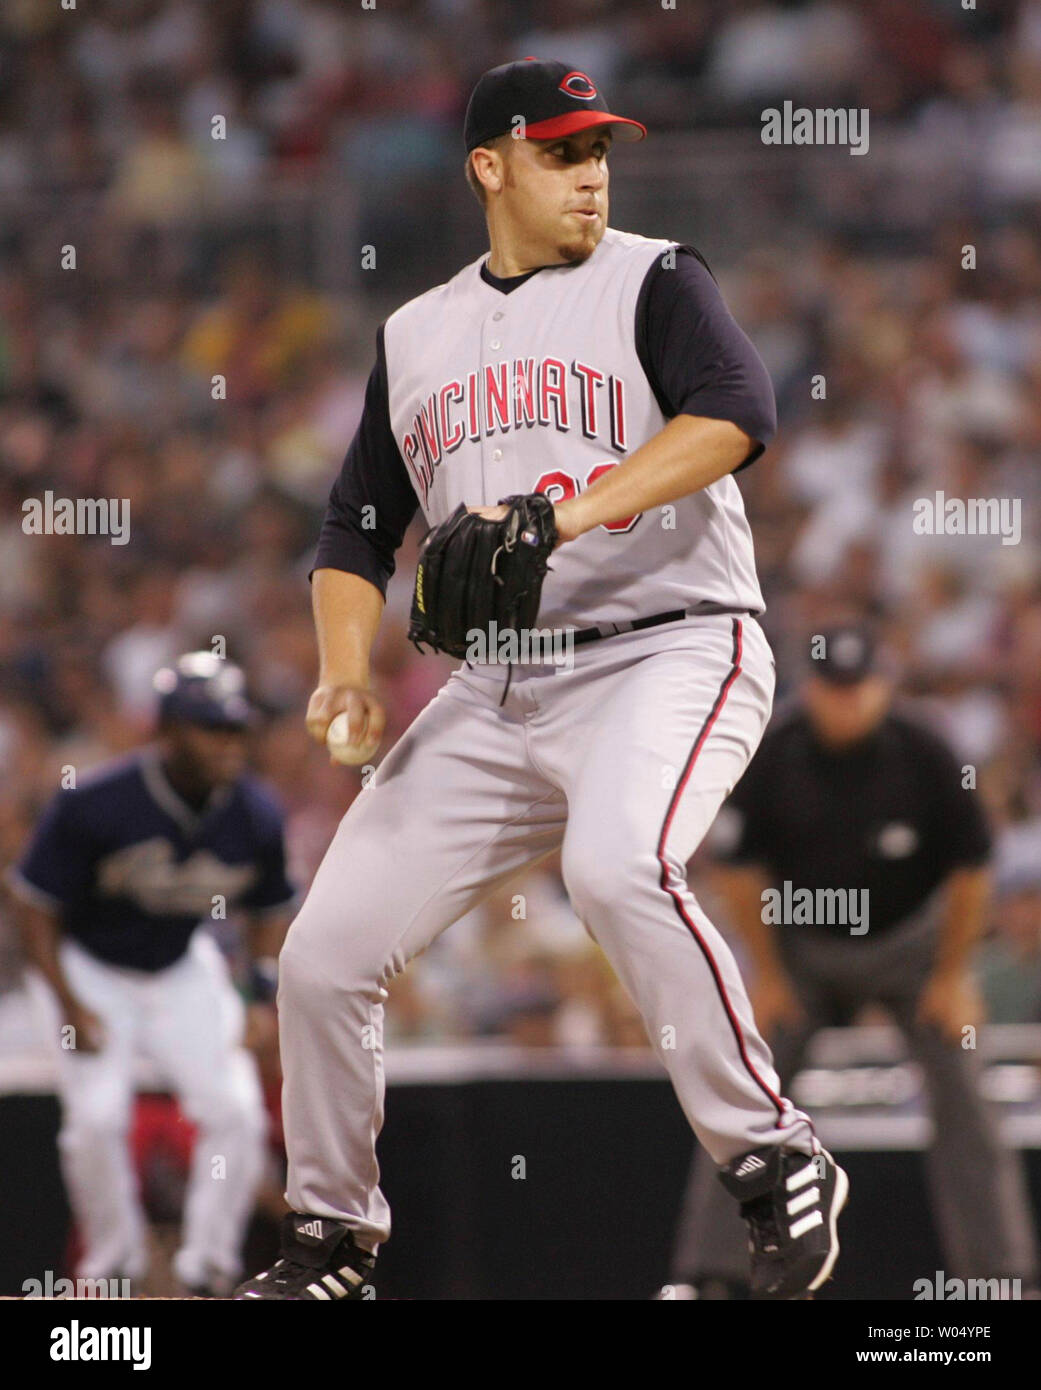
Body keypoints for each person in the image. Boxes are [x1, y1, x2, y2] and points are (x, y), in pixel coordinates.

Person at [234, 58, 847, 1303]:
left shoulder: (656, 276)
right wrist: (346, 671)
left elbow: (739, 410)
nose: (592, 175)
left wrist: (558, 520)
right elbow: (356, 525)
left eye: (599, 151)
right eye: (564, 153)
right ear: (489, 168)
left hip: (671, 643)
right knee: (323, 954)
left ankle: (775, 1152)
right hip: (499, 690)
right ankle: (332, 1236)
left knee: (618, 864)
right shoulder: (413, 334)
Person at [665, 623, 1039, 1298]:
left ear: (881, 686)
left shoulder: (924, 748)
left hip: (911, 947)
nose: (845, 703)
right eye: (832, 689)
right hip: (803, 952)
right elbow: (739, 869)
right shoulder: (775, 749)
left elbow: (971, 866)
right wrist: (769, 976)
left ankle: (999, 1279)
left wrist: (952, 977)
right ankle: (712, 1276)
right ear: (810, 690)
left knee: (965, 1095)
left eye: (856, 688)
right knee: (741, 1094)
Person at [8, 652, 295, 1296]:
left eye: (233, 728)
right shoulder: (99, 802)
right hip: (89, 963)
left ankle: (207, 1269)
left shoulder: (255, 813)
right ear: (166, 731)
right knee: (97, 1119)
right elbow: (31, 905)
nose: (227, 742)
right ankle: (115, 1269)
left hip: (178, 964)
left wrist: (258, 991)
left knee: (236, 1111)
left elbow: (270, 910)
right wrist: (67, 1001)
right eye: (209, 727)